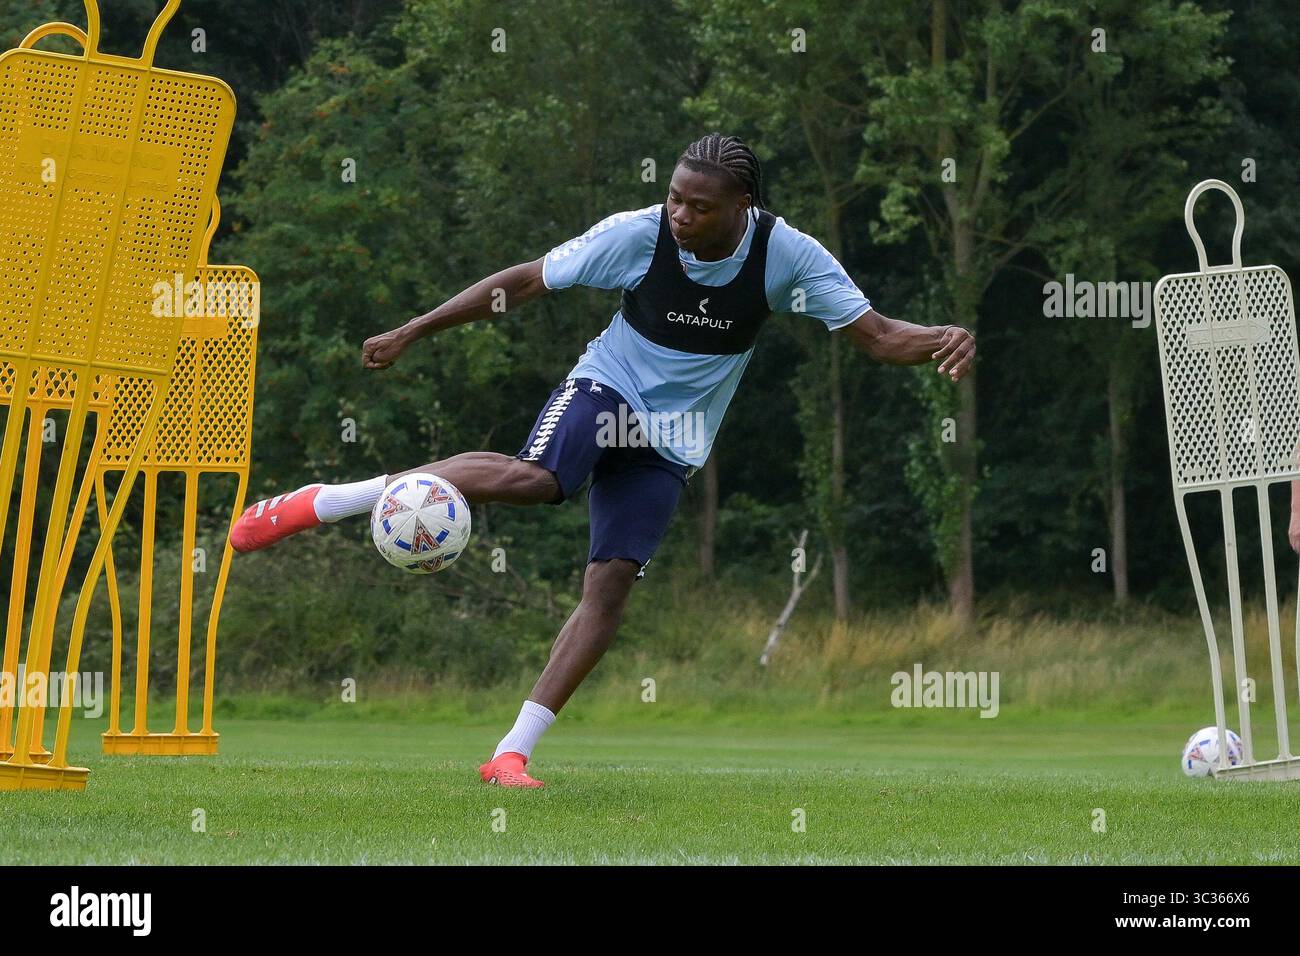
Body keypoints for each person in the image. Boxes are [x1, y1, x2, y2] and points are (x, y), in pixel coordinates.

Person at [228, 132, 976, 787]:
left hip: (675, 440)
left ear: (743, 203)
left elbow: (876, 336)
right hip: (607, 388)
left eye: (700, 207)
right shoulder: (636, 235)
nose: (681, 216)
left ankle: (510, 756)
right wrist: (413, 331)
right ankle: (326, 501)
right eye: (676, 200)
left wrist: (940, 336)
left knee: (609, 588)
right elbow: (521, 282)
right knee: (539, 479)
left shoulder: (789, 255)